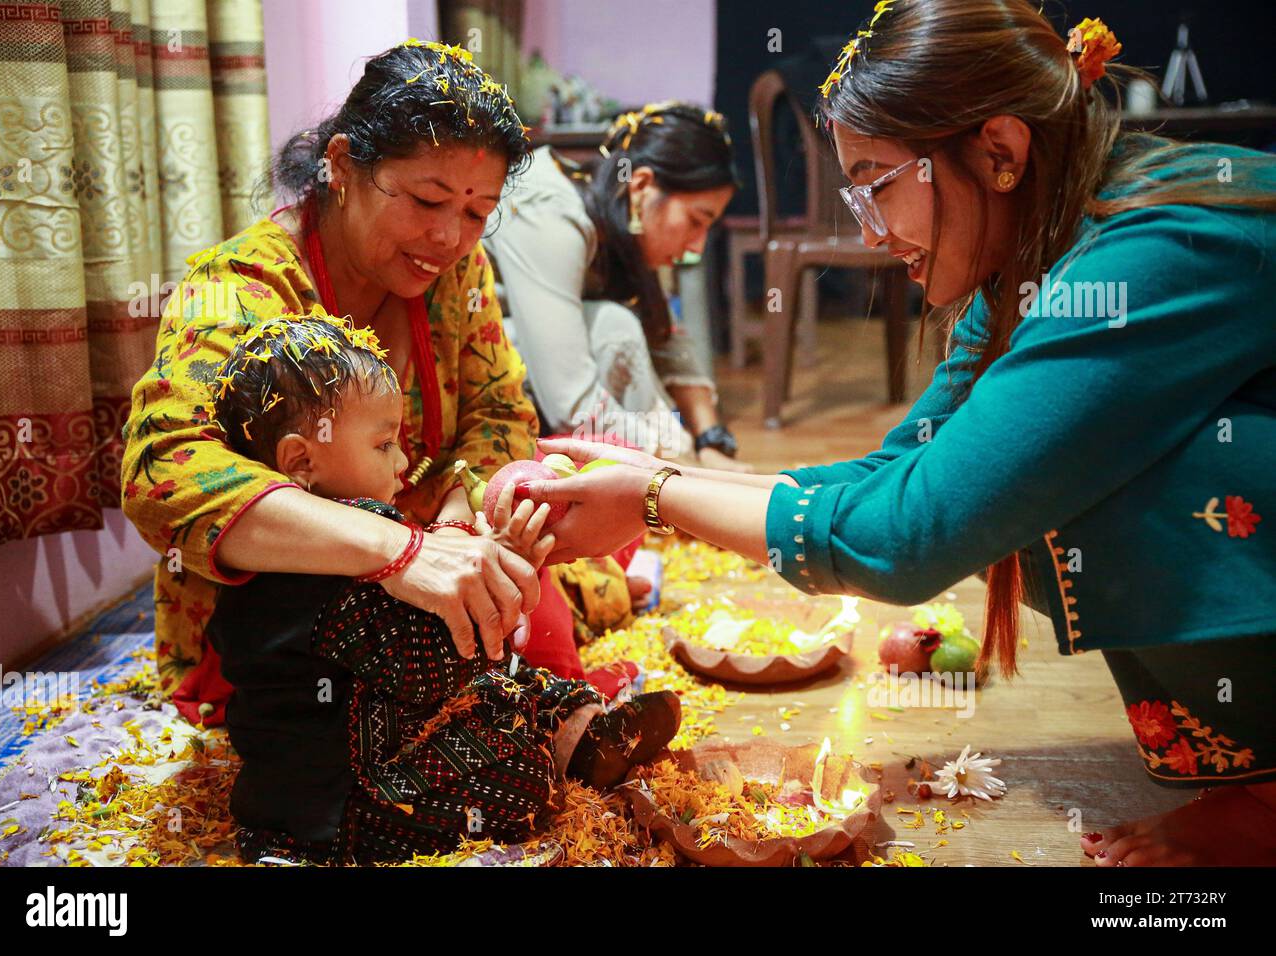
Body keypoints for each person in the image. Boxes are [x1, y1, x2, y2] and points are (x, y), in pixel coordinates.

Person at [517, 2, 1276, 867]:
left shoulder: (1148, 255)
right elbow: (898, 472)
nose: (869, 232)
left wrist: (654, 498)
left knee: (1078, 480)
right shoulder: (1034, 253)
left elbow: (913, 532)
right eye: (855, 194)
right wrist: (654, 481)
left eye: (877, 183)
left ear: (999, 153)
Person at [120, 39, 633, 725]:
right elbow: (162, 472)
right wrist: (398, 551)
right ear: (341, 166)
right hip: (297, 607)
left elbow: (500, 413)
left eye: (477, 213)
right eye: (427, 199)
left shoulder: (453, 273)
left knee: (566, 506)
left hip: (445, 549)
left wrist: (457, 521)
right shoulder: (241, 286)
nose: (450, 237)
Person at [203, 316, 680, 863]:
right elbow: (432, 670)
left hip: (373, 740)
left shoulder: (298, 542)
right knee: (514, 762)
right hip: (342, 808)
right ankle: (563, 751)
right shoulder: (329, 567)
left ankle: (582, 735)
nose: (405, 465)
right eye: (384, 445)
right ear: (301, 461)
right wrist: (507, 575)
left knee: (516, 688)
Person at [484, 101, 751, 472]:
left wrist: (710, 440)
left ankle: (647, 493)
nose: (697, 246)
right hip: (471, 372)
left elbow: (667, 337)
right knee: (614, 328)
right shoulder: (550, 213)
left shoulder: (628, 217)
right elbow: (571, 401)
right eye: (695, 220)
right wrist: (684, 466)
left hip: (535, 378)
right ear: (642, 185)